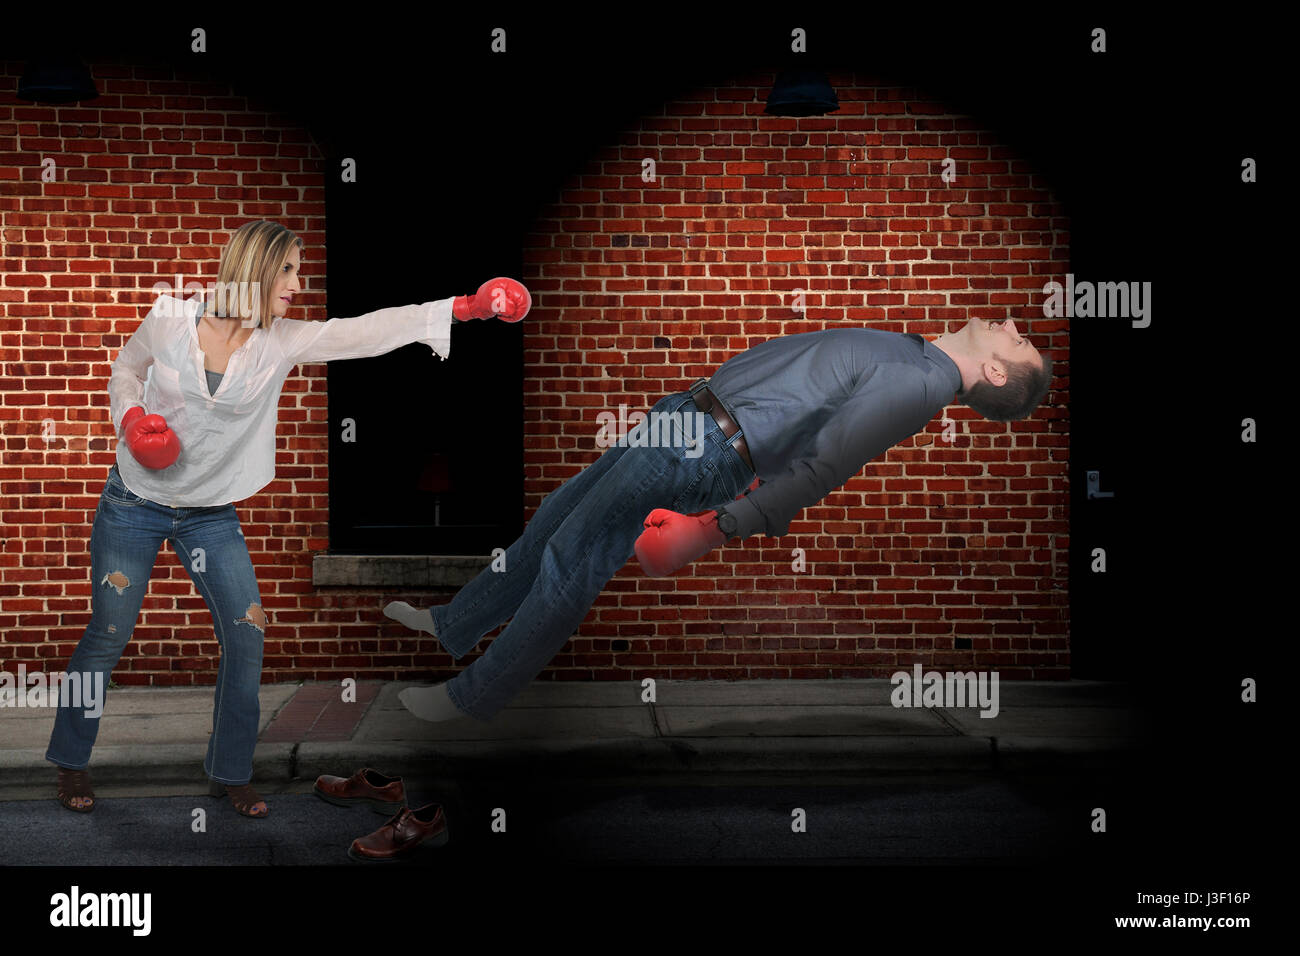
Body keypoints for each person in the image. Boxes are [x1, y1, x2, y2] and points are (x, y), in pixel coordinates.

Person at [45, 219, 531, 816]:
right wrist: (130, 417)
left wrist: (463, 307)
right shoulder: (171, 318)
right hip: (134, 502)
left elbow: (363, 332)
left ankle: (232, 771)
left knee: (247, 635)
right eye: (289, 270)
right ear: (254, 267)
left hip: (208, 514)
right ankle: (70, 763)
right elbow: (126, 368)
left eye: (299, 271)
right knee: (109, 633)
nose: (298, 284)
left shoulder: (281, 341)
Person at [388, 317, 1052, 723]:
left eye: (1019, 342)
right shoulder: (917, 357)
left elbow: (824, 468)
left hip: (701, 443)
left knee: (573, 557)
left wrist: (717, 525)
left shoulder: (920, 384)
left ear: (994, 371)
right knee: (556, 521)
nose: (1013, 325)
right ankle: (455, 624)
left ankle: (473, 699)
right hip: (690, 418)